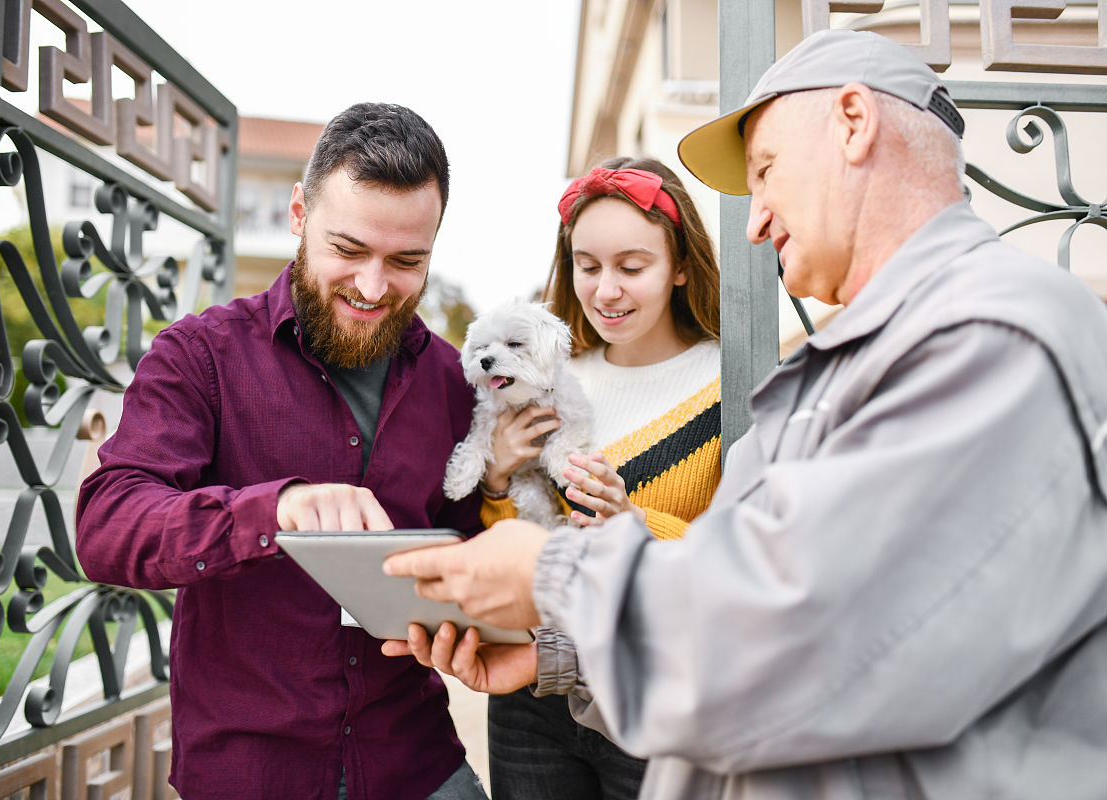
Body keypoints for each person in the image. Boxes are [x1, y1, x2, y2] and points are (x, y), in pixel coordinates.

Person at [382, 29, 1107, 800]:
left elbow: (812, 639)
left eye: (765, 172)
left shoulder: (987, 337)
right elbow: (763, 595)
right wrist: (563, 654)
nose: (755, 221)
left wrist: (553, 578)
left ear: (854, 123)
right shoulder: (869, 354)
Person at [76, 102, 488, 800]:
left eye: (406, 261)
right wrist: (277, 509)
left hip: (417, 760)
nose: (372, 286)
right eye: (349, 250)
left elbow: (479, 544)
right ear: (298, 213)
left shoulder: (456, 381)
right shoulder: (198, 355)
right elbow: (109, 526)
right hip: (250, 770)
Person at [477, 157, 723, 799]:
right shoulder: (547, 381)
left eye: (631, 267)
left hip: (658, 701)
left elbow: (746, 553)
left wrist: (633, 524)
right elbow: (520, 549)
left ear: (681, 268)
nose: (605, 290)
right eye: (587, 267)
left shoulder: (735, 382)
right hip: (538, 690)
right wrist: (498, 481)